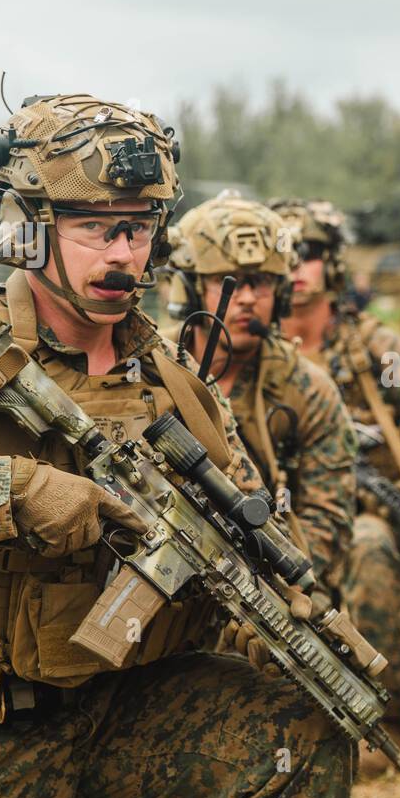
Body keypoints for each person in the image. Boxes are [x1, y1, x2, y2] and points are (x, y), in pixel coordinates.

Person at [0, 94, 351, 798]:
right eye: (94, 227)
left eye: (139, 227)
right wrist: (8, 494)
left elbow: (248, 543)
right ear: (26, 230)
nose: (122, 253)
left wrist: (277, 617)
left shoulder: (177, 382)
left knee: (298, 731)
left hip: (128, 711)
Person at [275, 197, 400, 777]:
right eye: (282, 255)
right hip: (274, 519)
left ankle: (385, 715)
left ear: (331, 264)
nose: (295, 268)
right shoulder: (247, 350)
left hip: (366, 521)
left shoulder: (375, 351)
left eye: (307, 253)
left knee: (370, 543)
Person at [165, 196, 356, 611]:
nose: (247, 298)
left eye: (262, 283)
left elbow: (328, 519)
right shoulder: (156, 367)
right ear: (191, 288)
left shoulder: (308, 388)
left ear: (281, 293)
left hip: (272, 586)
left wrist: (274, 588)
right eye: (228, 281)